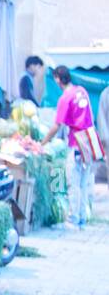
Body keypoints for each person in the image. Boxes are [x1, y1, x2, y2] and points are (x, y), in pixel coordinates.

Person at [40, 66, 97, 228]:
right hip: (89, 142)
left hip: (76, 143)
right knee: (83, 183)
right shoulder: (82, 91)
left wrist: (42, 143)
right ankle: (82, 219)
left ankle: (72, 220)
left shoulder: (66, 98)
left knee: (73, 181)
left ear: (58, 78)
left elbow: (57, 125)